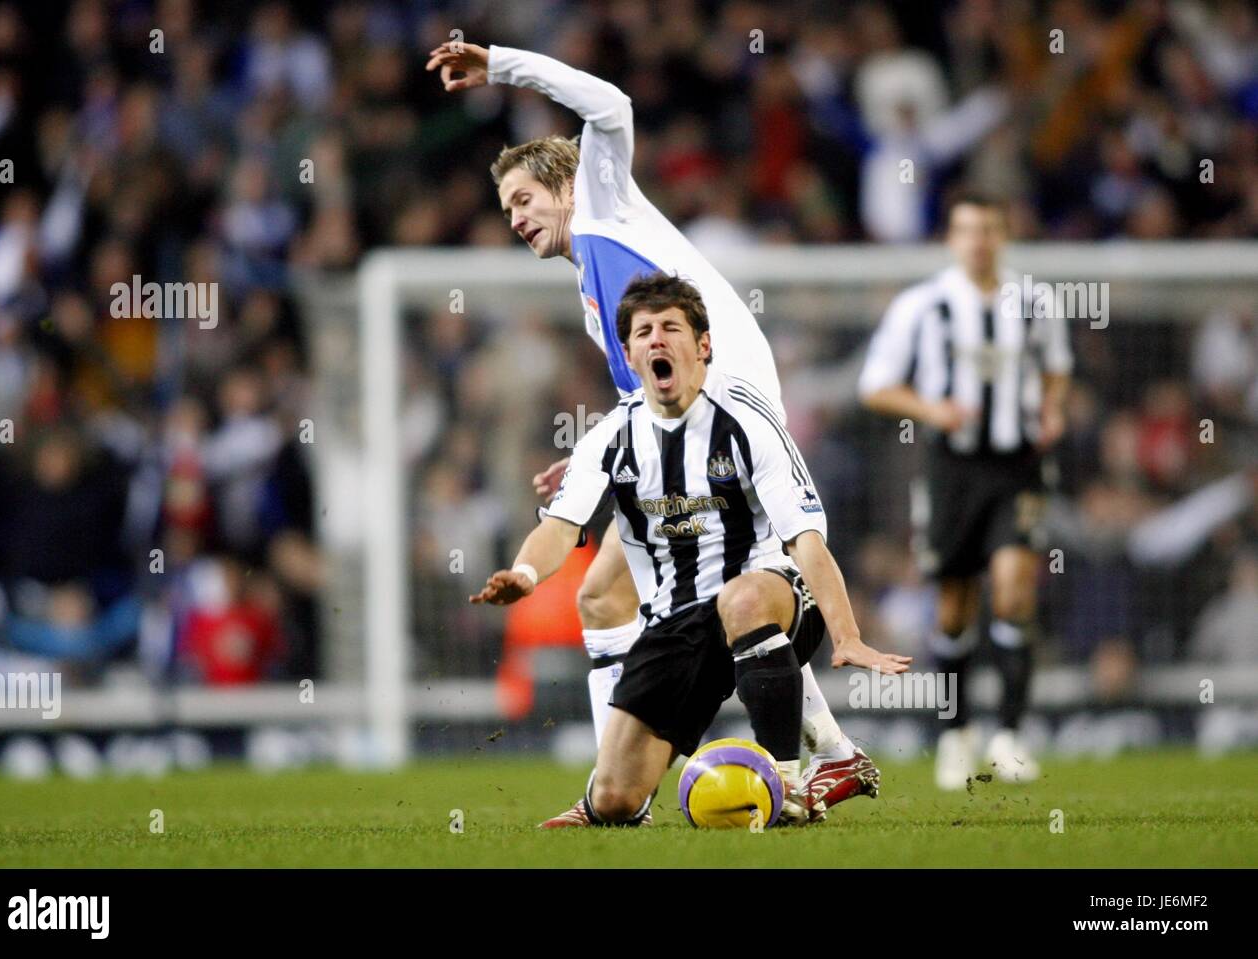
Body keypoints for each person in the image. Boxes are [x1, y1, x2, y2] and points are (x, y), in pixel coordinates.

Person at [427, 39, 880, 813]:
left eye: (524, 200)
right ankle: (811, 758)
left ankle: (718, 779)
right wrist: (600, 454)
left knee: (723, 594)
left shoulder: (604, 200)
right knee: (604, 594)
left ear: (564, 185)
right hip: (685, 425)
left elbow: (610, 105)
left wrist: (501, 65)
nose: (515, 219)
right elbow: (644, 389)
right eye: (506, 211)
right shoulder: (592, 292)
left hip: (729, 416)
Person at [471, 272, 910, 826]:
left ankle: (785, 786)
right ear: (628, 355)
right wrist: (527, 574)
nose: (657, 339)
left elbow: (805, 540)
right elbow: (560, 525)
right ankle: (828, 755)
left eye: (671, 328)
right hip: (673, 627)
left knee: (742, 599)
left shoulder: (747, 420)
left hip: (772, 598)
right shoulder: (611, 437)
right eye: (643, 331)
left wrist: (847, 636)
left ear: (702, 346)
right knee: (614, 802)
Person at [858, 191, 1072, 789]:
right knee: (953, 606)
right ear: (951, 238)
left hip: (1017, 466)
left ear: (1005, 234)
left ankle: (1009, 734)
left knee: (1012, 587)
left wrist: (1052, 407)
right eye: (967, 229)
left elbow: (1056, 366)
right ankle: (955, 734)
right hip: (950, 470)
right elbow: (875, 385)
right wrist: (931, 408)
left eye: (989, 229)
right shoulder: (923, 305)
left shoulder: (1035, 301)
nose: (979, 240)